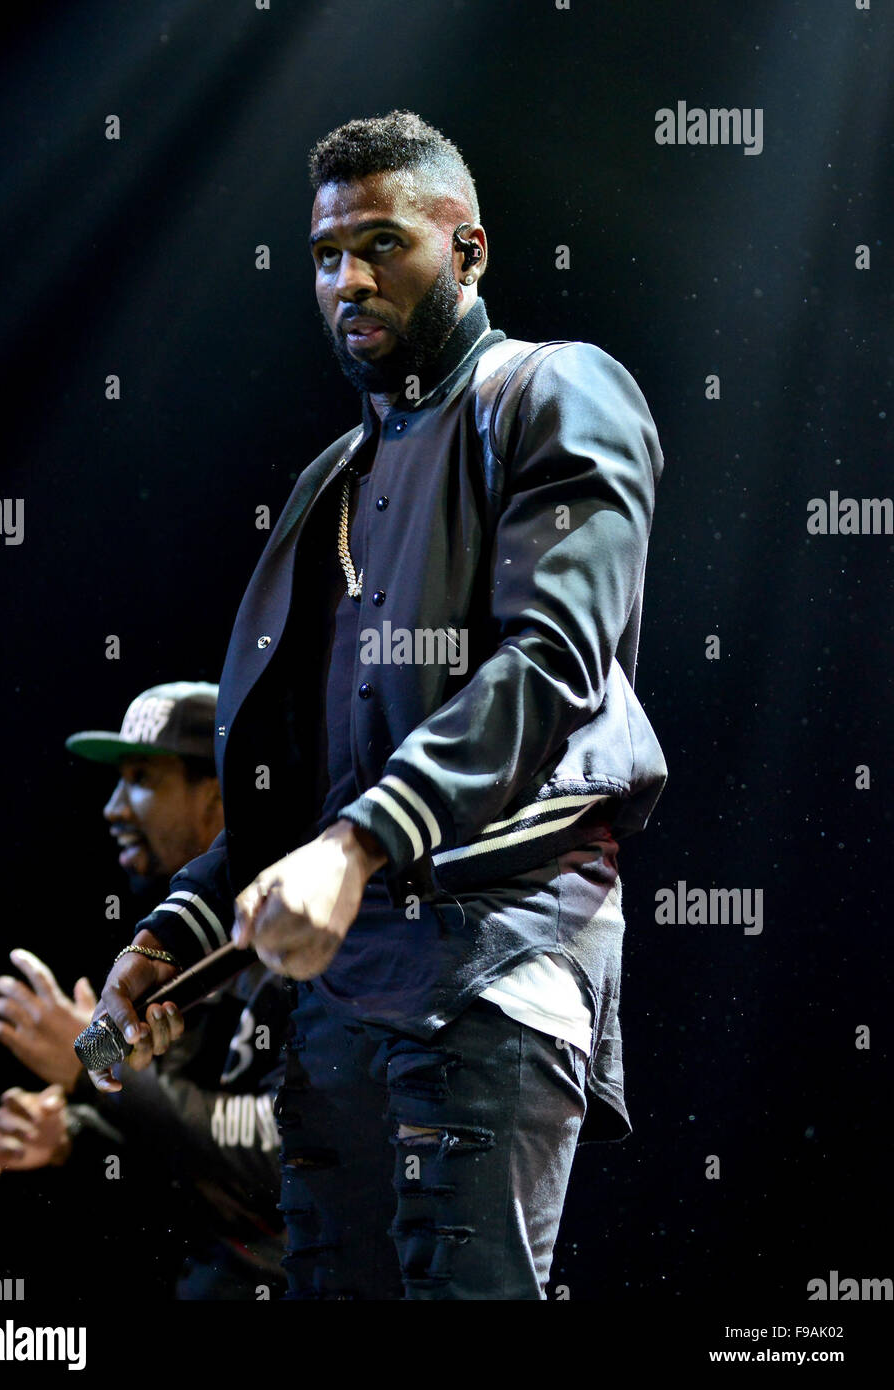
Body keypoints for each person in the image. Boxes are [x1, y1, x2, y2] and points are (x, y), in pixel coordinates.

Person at [85, 111, 668, 1300]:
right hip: (336, 1012)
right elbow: (293, 801)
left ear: (467, 252)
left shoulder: (553, 390)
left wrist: (356, 844)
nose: (346, 278)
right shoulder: (330, 484)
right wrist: (170, 942)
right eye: (323, 254)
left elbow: (553, 661)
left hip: (491, 969)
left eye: (381, 243)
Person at [0, 681, 288, 1297]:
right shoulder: (158, 953)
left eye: (143, 777)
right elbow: (182, 1129)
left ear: (217, 800)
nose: (114, 807)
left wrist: (84, 1063)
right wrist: (78, 1131)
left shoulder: (289, 938)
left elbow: (273, 1146)